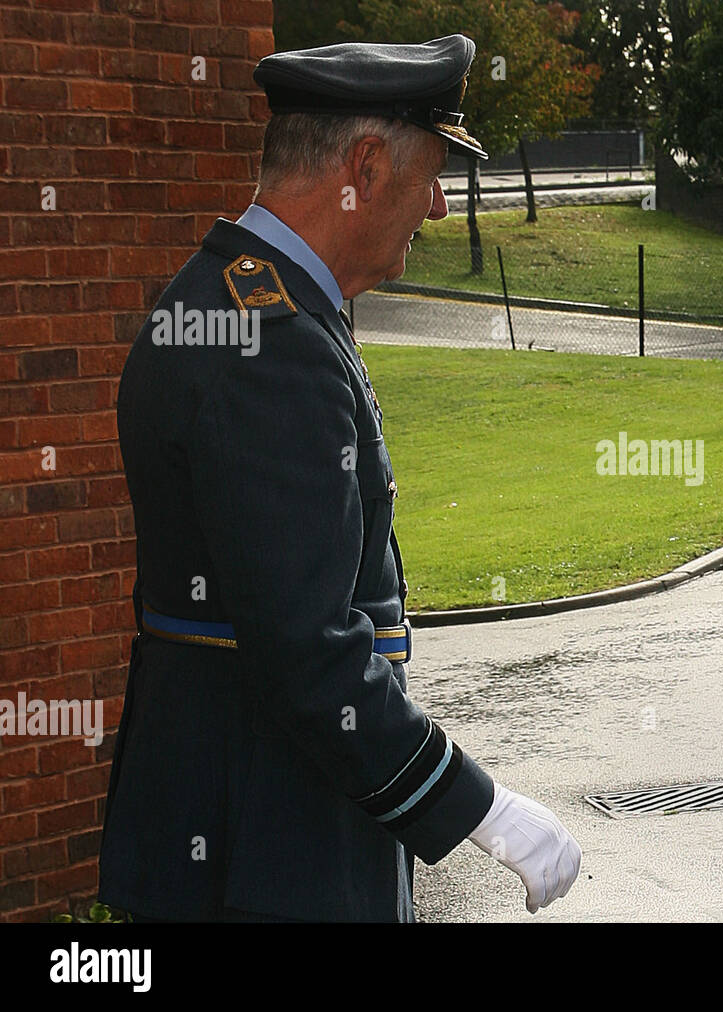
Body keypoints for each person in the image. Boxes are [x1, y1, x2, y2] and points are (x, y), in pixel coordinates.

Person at [99, 36, 581, 922]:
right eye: (433, 172)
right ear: (364, 165)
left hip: (228, 818)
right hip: (274, 841)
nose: (438, 205)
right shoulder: (271, 343)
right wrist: (480, 807)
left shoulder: (229, 300)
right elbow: (310, 648)